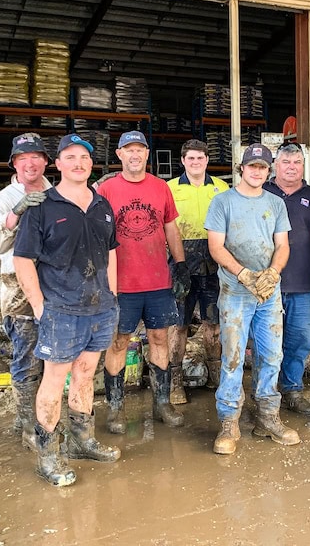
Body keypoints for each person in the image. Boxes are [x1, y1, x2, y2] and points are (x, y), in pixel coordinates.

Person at [13, 133, 121, 487]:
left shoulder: (102, 206)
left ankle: (82, 441)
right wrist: (40, 306)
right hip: (60, 308)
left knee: (87, 373)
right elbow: (23, 259)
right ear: (57, 165)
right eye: (71, 158)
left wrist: (113, 294)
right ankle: (48, 455)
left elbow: (112, 253)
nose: (79, 163)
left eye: (85, 158)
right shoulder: (41, 206)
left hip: (100, 307)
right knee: (54, 379)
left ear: (92, 165)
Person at [205, 143, 300, 455]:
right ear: (241, 169)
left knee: (271, 355)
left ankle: (268, 417)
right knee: (232, 357)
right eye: (252, 166)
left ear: (268, 171)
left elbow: (282, 244)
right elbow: (216, 247)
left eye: (263, 167)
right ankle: (229, 422)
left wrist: (273, 273)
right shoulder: (223, 202)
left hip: (268, 293)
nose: (257, 171)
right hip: (235, 292)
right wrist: (243, 273)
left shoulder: (275, 204)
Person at [98, 130, 192, 433]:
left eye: (140, 150)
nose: (135, 155)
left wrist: (180, 264)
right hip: (120, 284)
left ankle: (162, 402)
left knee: (160, 339)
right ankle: (115, 408)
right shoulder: (106, 190)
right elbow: (96, 234)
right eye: (129, 150)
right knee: (118, 341)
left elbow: (170, 228)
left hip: (157, 281)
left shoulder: (160, 188)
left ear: (147, 155)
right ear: (120, 155)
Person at [0, 132, 51, 452]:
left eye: (36, 157)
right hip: (19, 286)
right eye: (23, 159)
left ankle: (40, 416)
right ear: (14, 163)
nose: (30, 163)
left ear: (46, 162)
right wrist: (18, 212)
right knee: (26, 355)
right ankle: (26, 423)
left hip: (54, 284)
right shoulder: (5, 199)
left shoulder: (57, 193)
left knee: (53, 356)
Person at [263, 143, 310, 417]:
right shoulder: (261, 192)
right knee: (266, 342)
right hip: (266, 284)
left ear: (304, 166)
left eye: (297, 162)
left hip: (303, 283)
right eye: (286, 162)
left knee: (300, 339)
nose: (291, 167)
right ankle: (266, 393)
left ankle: (292, 388)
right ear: (276, 165)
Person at [167, 139, 230, 402]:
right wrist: (173, 263)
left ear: (207, 160)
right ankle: (175, 383)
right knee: (178, 325)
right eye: (190, 158)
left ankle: (216, 378)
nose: (195, 163)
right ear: (182, 161)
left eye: (200, 158)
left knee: (213, 324)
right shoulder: (169, 188)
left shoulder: (221, 187)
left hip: (214, 263)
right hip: (180, 263)